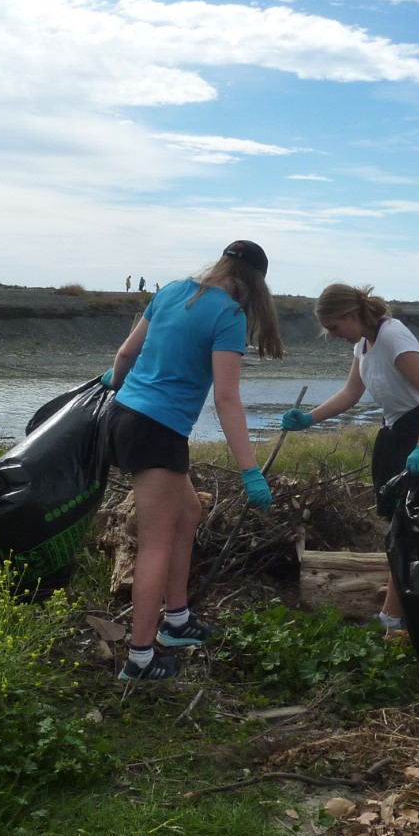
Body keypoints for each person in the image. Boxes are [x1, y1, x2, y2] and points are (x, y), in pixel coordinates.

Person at [101, 239, 283, 682]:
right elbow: (226, 398)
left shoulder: (171, 291)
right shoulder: (229, 315)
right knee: (155, 545)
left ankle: (177, 620)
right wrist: (250, 470)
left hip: (126, 416)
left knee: (189, 510)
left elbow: (126, 354)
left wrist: (114, 380)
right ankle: (141, 657)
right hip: (157, 429)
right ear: (254, 282)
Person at [281, 284, 419, 633]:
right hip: (398, 433)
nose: (332, 335)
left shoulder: (394, 336)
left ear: (352, 315)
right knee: (405, 525)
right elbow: (352, 392)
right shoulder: (361, 345)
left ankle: (392, 618)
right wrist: (310, 418)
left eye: (334, 327)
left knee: (411, 528)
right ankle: (408, 607)